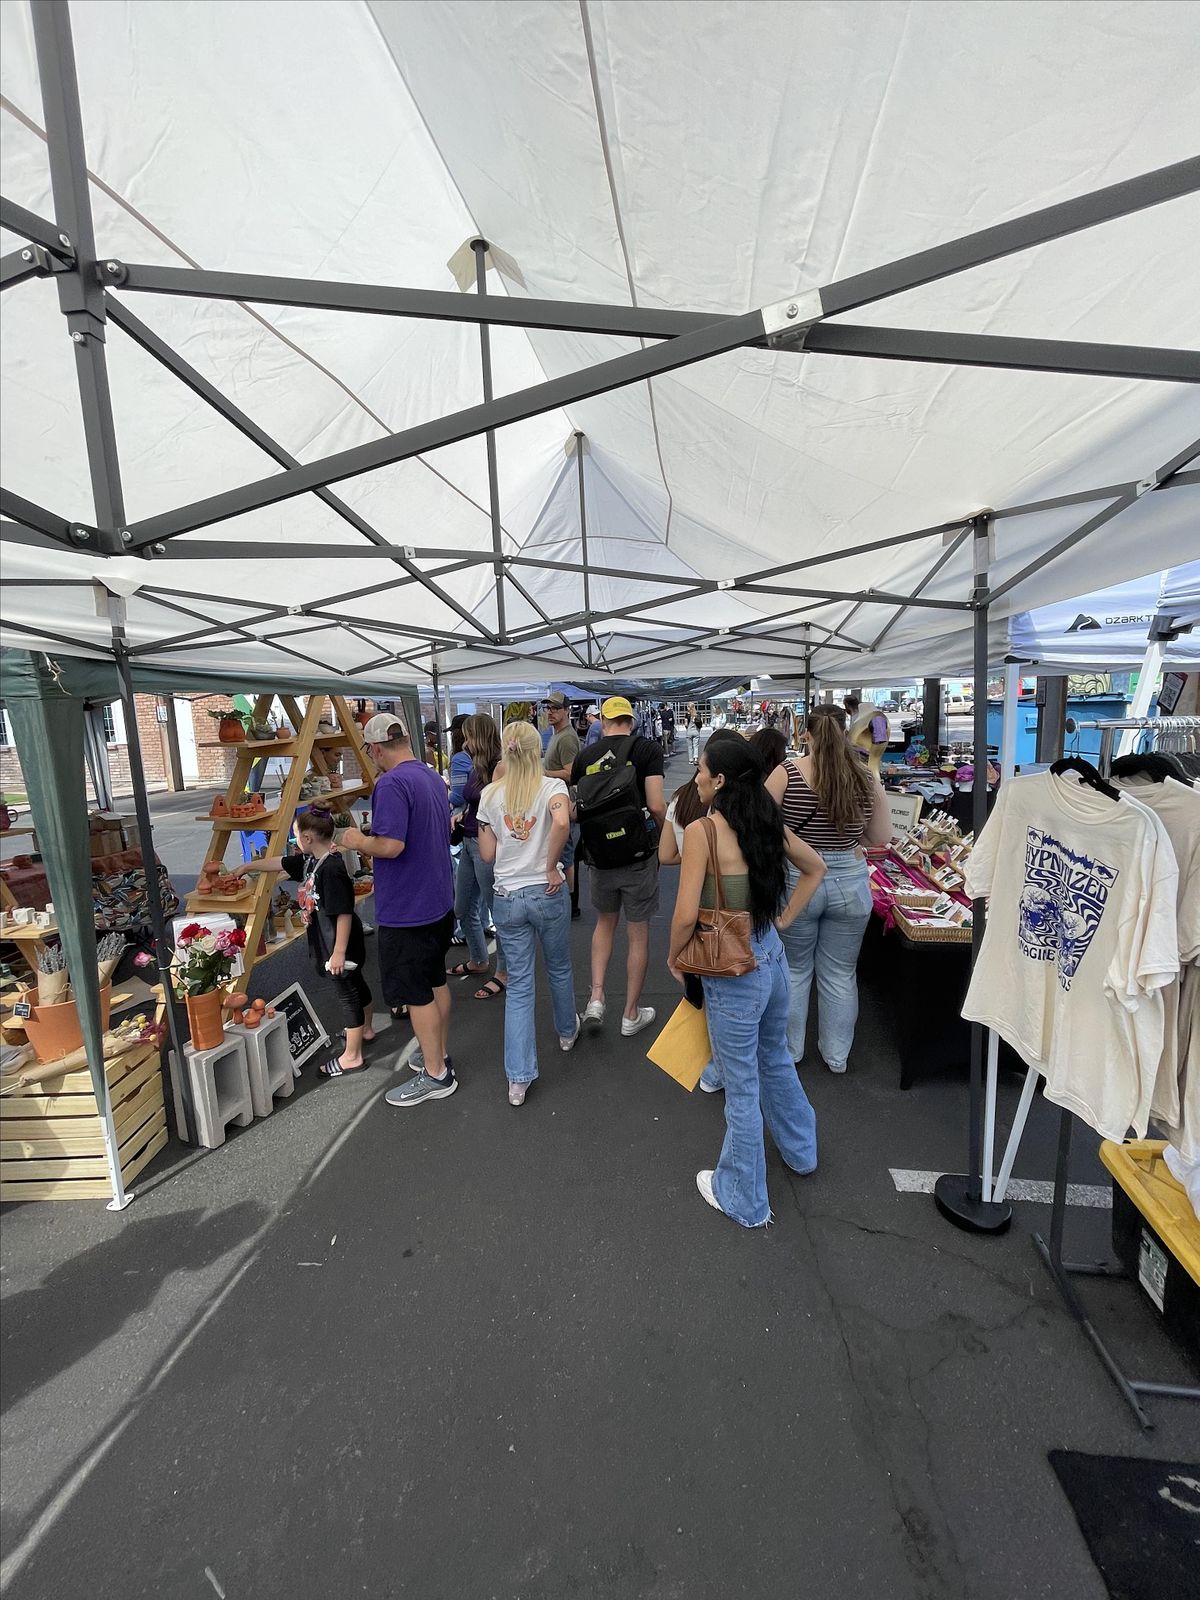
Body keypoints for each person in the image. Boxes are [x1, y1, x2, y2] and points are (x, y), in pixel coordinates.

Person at [667, 738, 826, 1226]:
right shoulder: (765, 821)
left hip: (733, 971)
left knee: (741, 1088)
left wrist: (676, 958)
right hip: (772, 958)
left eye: (701, 769)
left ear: (719, 781)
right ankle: (802, 1152)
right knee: (775, 1060)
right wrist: (782, 923)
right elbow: (815, 869)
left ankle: (745, 1199)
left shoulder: (702, 832)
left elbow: (686, 913)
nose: (695, 777)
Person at [765, 704, 891, 1071]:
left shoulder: (786, 772)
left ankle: (790, 1052)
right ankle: (837, 1057)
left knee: (795, 970)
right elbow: (881, 838)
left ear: (806, 732)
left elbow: (763, 826)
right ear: (844, 731)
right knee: (839, 974)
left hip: (798, 880)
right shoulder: (866, 777)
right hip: (851, 882)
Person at [341, 714, 457, 1106]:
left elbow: (391, 846)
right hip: (437, 900)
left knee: (417, 991)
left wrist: (358, 839)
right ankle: (437, 1056)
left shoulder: (391, 783)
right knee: (434, 980)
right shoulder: (429, 776)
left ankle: (436, 1074)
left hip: (409, 907)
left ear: (374, 749)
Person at [477, 721, 579, 1105]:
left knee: (519, 985)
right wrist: (551, 864)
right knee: (559, 966)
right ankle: (567, 1031)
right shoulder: (553, 788)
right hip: (546, 891)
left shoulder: (490, 795)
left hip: (507, 897)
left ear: (506, 752)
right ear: (538, 750)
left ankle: (518, 1080)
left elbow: (487, 855)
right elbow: (564, 822)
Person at [237, 806, 372, 1077]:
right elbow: (279, 863)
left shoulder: (331, 869)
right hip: (331, 940)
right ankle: (365, 1029)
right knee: (355, 984)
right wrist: (247, 866)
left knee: (347, 993)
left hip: (339, 942)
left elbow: (344, 912)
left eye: (296, 834)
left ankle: (352, 1056)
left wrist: (338, 953)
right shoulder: (312, 861)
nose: (295, 840)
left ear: (308, 838)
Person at [571, 695, 666, 1037]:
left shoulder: (584, 757)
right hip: (636, 854)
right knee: (637, 932)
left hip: (600, 857)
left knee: (604, 924)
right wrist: (664, 834)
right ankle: (630, 1013)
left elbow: (575, 809)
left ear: (604, 722)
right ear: (632, 720)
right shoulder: (646, 750)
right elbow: (655, 804)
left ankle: (596, 997)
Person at [448, 713, 508, 998]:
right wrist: (462, 815)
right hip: (471, 840)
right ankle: (479, 959)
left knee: (498, 910)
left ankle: (503, 971)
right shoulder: (477, 765)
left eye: (468, 735)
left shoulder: (498, 766)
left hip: (487, 845)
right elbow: (474, 802)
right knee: (463, 907)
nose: (464, 741)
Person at [542, 691, 581, 913]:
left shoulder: (566, 737)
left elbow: (570, 773)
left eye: (555, 708)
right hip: (559, 800)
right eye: (548, 708)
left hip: (564, 800)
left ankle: (571, 903)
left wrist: (543, 773)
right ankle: (569, 901)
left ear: (567, 710)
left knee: (565, 853)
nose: (550, 712)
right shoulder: (558, 734)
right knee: (564, 851)